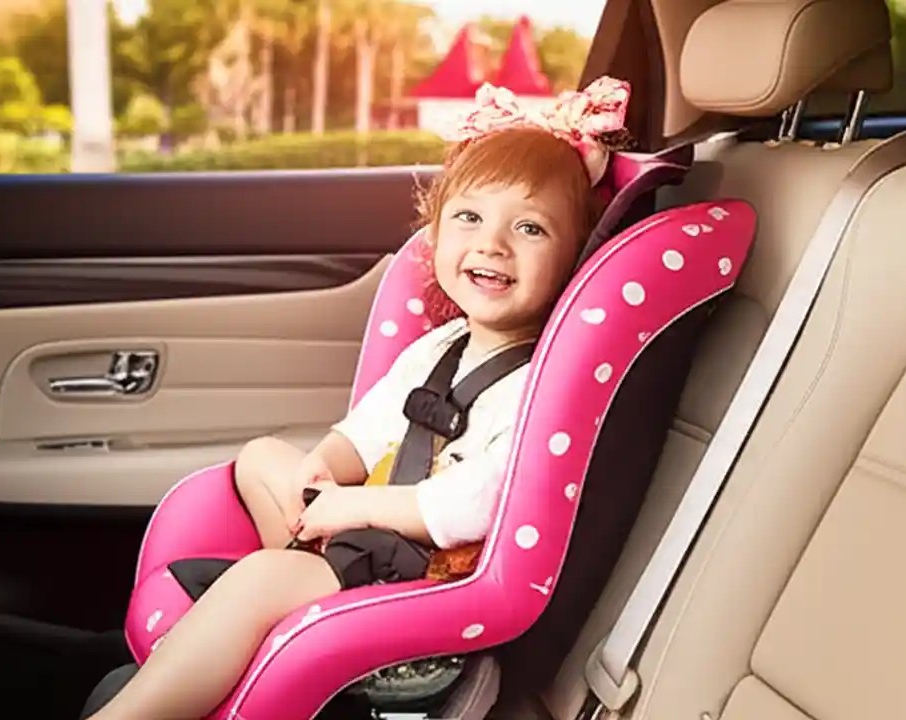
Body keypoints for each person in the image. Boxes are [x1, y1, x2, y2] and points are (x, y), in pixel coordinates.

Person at [87, 76, 631, 720]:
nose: (492, 243)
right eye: (469, 217)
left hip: (427, 569)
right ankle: (278, 602)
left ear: (573, 259)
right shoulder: (443, 344)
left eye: (530, 228)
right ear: (436, 232)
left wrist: (353, 506)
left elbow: (477, 504)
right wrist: (326, 466)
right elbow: (370, 428)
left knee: (262, 577)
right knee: (263, 457)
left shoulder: (539, 380)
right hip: (368, 533)